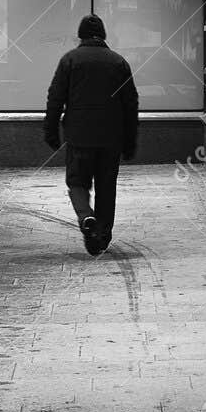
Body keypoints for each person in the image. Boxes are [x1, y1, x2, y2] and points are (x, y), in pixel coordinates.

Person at [43, 15, 139, 256]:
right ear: (104, 35)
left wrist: (51, 130)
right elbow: (131, 104)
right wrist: (130, 140)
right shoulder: (118, 63)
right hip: (111, 137)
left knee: (77, 181)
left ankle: (86, 216)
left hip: (79, 136)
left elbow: (55, 97)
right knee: (107, 186)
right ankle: (102, 235)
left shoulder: (70, 61)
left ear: (81, 35)